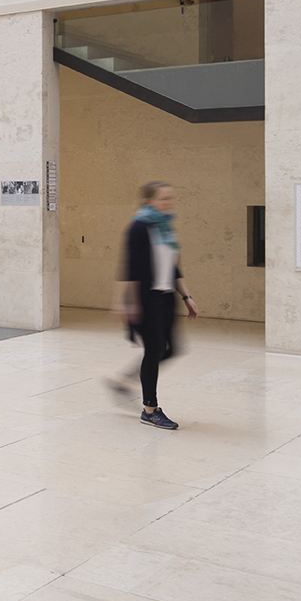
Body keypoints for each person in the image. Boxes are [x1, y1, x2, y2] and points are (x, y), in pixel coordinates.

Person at [114, 179, 198, 428]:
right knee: (154, 351)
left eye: (170, 198)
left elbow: (173, 267)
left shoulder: (166, 229)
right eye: (163, 198)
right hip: (145, 299)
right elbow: (129, 269)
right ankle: (150, 409)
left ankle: (126, 380)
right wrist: (127, 303)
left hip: (165, 299)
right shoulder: (138, 228)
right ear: (148, 201)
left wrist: (187, 296)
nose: (168, 202)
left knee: (172, 349)